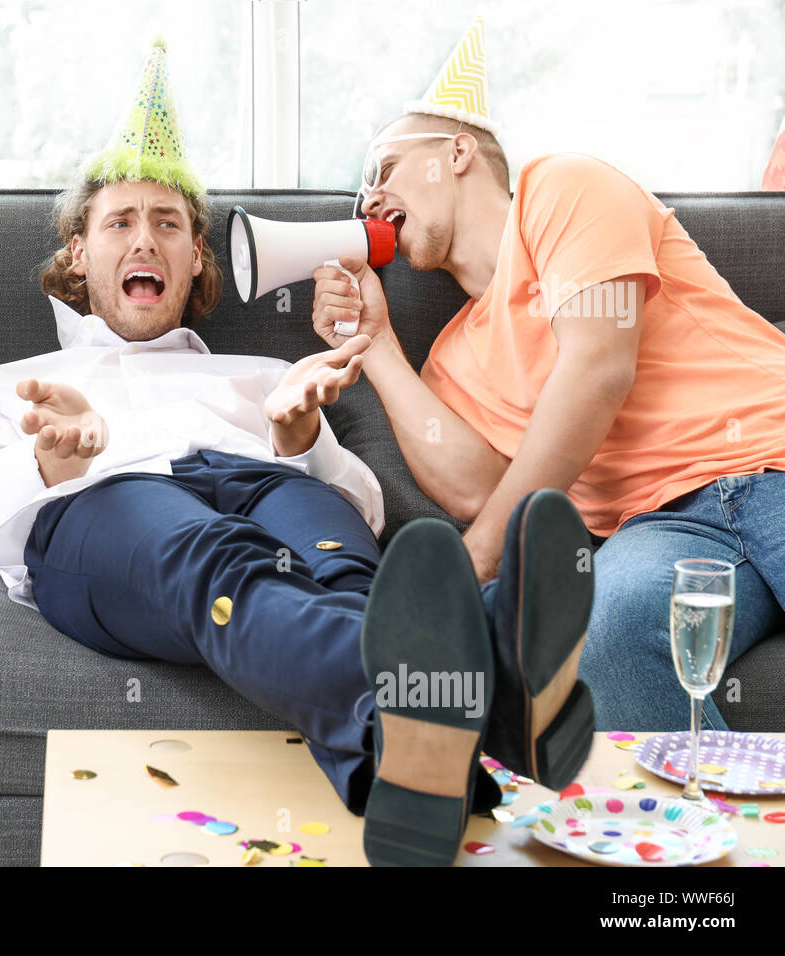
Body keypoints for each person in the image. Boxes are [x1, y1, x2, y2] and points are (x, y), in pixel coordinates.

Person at [0, 41, 596, 866]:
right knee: (217, 553)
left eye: (169, 224)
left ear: (193, 260)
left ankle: (414, 775)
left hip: (264, 477)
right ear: (80, 252)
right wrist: (56, 460)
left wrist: (301, 441)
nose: (146, 241)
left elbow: (359, 503)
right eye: (121, 222)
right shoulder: (16, 381)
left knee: (352, 581)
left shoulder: (261, 376)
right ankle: (493, 694)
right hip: (106, 500)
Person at [312, 18, 785, 731]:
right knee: (600, 631)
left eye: (383, 170)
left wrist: (475, 560)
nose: (369, 201)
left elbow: (597, 371)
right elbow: (482, 488)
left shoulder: (561, 188)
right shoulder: (451, 358)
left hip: (773, 461)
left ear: (458, 152)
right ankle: (709, 842)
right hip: (660, 529)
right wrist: (375, 344)